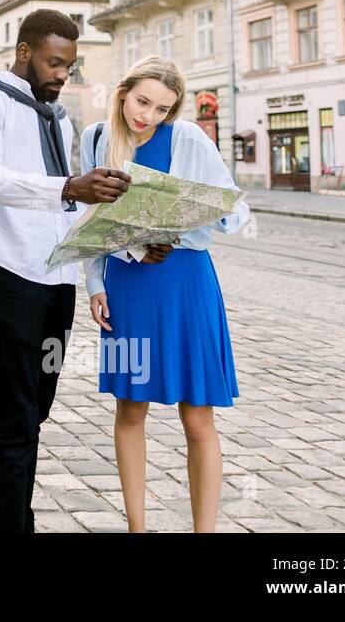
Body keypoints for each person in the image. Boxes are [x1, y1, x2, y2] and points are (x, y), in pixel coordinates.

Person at [0, 9, 131, 533]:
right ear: (25, 52)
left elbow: (69, 203)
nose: (61, 75)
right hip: (11, 272)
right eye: (54, 63)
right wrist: (69, 187)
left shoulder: (58, 116)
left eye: (69, 67)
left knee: (37, 409)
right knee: (16, 415)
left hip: (59, 278)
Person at [80, 55, 250, 533]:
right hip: (128, 285)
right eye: (142, 102)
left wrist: (191, 216)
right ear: (123, 91)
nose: (148, 116)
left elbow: (233, 209)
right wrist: (94, 284)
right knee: (130, 409)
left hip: (186, 284)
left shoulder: (189, 138)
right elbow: (92, 219)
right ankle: (138, 528)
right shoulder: (95, 139)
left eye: (161, 109)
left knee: (197, 417)